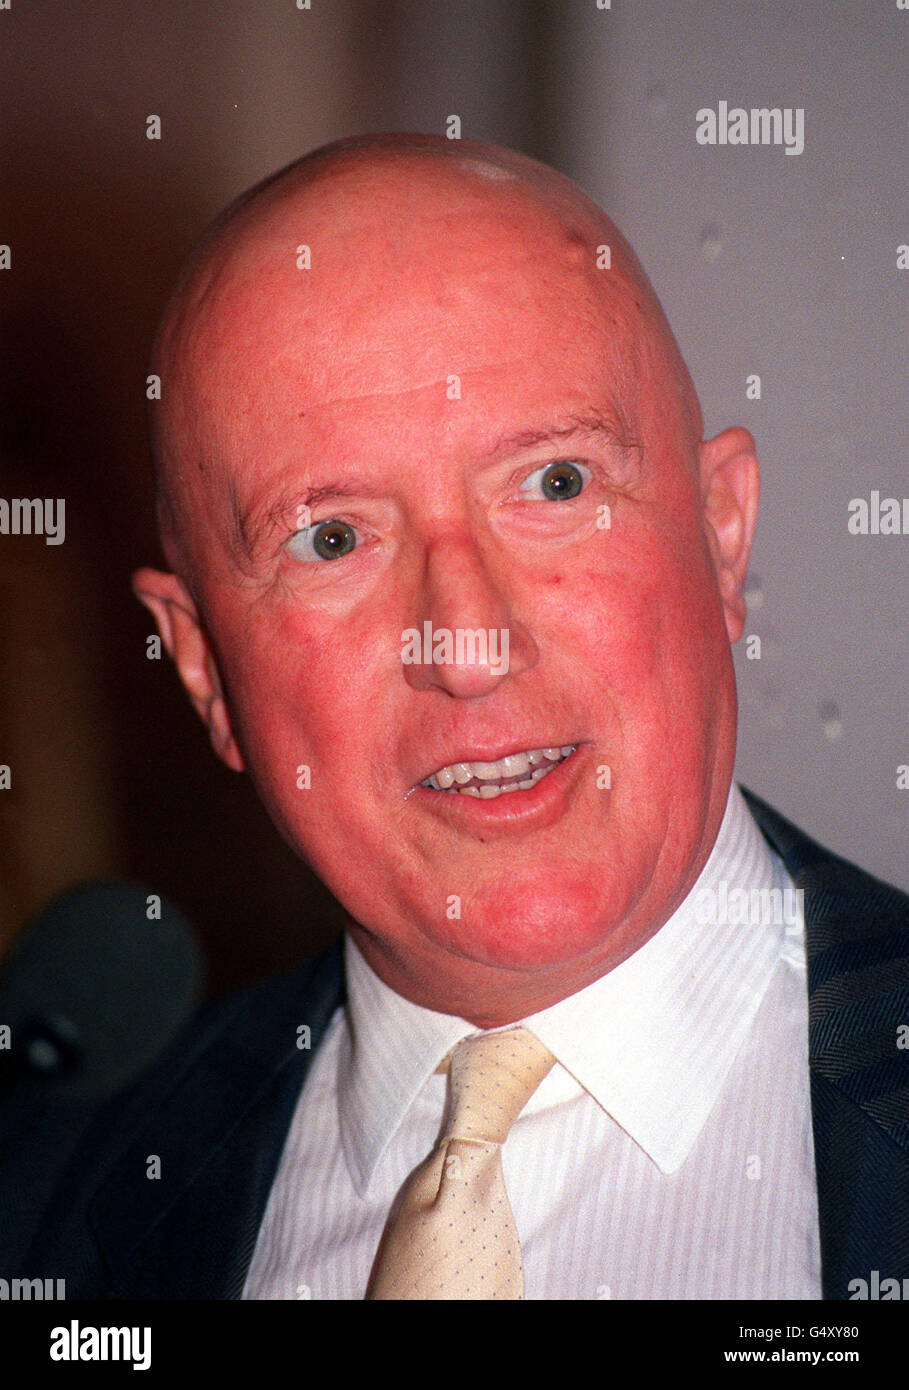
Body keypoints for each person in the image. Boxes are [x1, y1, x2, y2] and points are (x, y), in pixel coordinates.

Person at [20, 134, 909, 1300]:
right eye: (332, 538)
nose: (469, 645)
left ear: (722, 536)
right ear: (202, 672)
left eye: (555, 484)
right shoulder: (48, 1206)